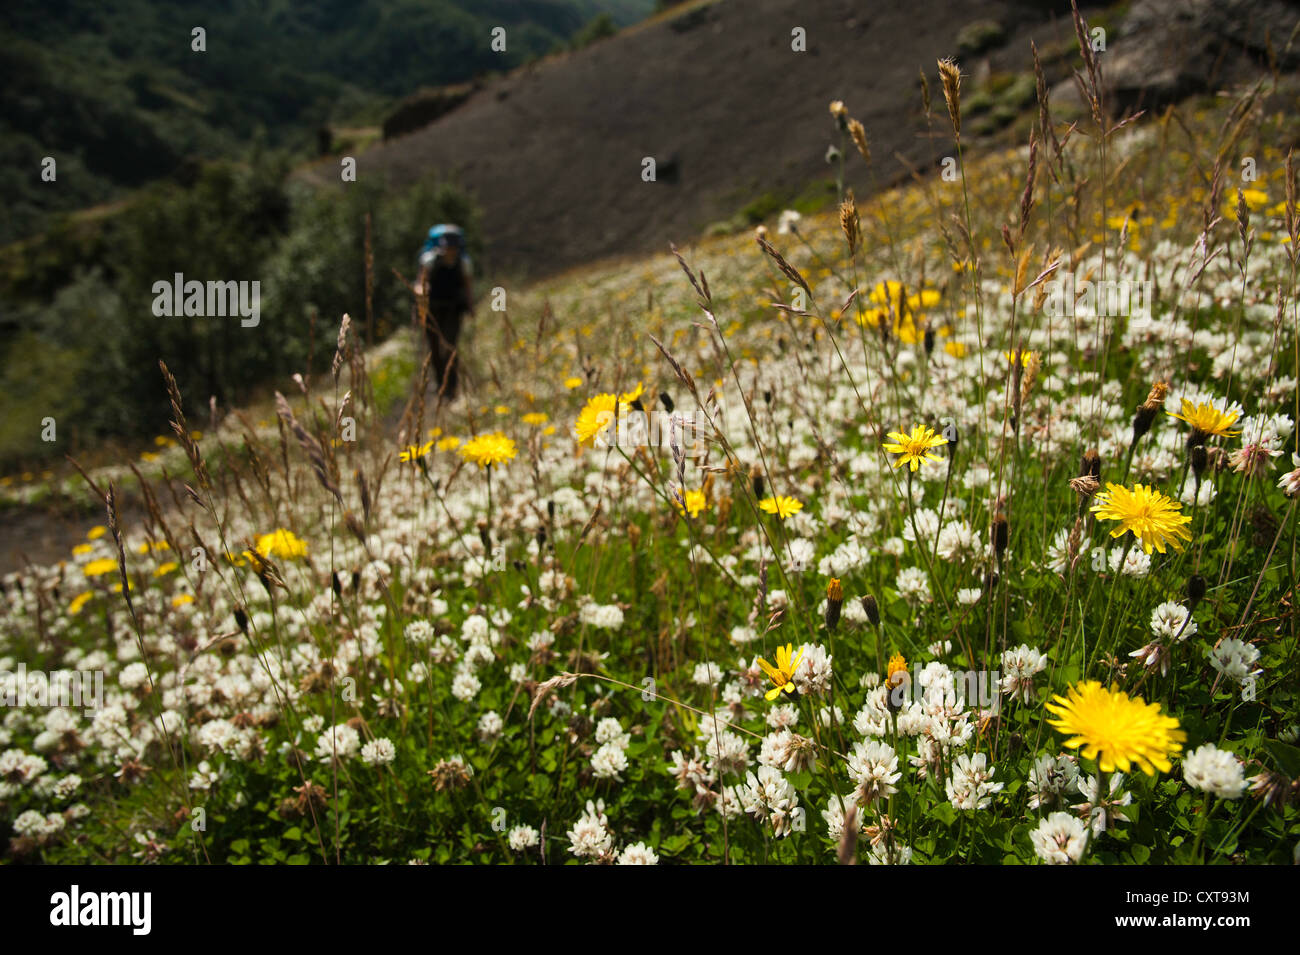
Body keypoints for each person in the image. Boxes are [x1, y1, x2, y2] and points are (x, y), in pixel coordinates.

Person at [416, 224, 473, 397]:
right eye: (448, 247)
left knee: (450, 347)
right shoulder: (429, 261)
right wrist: (421, 294)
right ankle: (440, 382)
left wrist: (470, 307)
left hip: (454, 310)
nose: (450, 251)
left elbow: (468, 286)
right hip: (432, 310)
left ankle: (452, 387)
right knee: (433, 349)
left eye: (453, 248)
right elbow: (420, 282)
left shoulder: (463, 263)